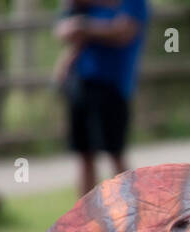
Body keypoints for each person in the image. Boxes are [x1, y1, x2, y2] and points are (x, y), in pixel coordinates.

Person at [53, 0, 148, 196]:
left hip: (113, 83)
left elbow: (124, 32)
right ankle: (85, 218)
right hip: (81, 81)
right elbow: (63, 28)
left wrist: (85, 28)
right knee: (84, 153)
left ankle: (138, 214)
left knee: (115, 151)